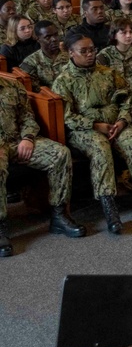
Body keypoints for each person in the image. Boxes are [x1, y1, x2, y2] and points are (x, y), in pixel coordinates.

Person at [53, 30, 132, 233]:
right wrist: (95, 125)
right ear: (71, 53)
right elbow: (67, 117)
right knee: (101, 149)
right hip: (85, 130)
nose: (90, 54)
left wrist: (123, 120)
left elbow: (128, 99)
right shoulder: (63, 81)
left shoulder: (108, 73)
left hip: (116, 124)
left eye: (92, 50)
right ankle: (110, 209)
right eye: (84, 51)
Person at [0, 72, 85, 257]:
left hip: (18, 141)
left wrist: (28, 137)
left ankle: (59, 215)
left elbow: (27, 117)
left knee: (60, 154)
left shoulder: (12, 86)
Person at [20, 20, 68, 91]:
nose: (54, 39)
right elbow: (35, 92)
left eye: (55, 35)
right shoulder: (31, 62)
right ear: (38, 39)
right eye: (48, 37)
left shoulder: (71, 55)